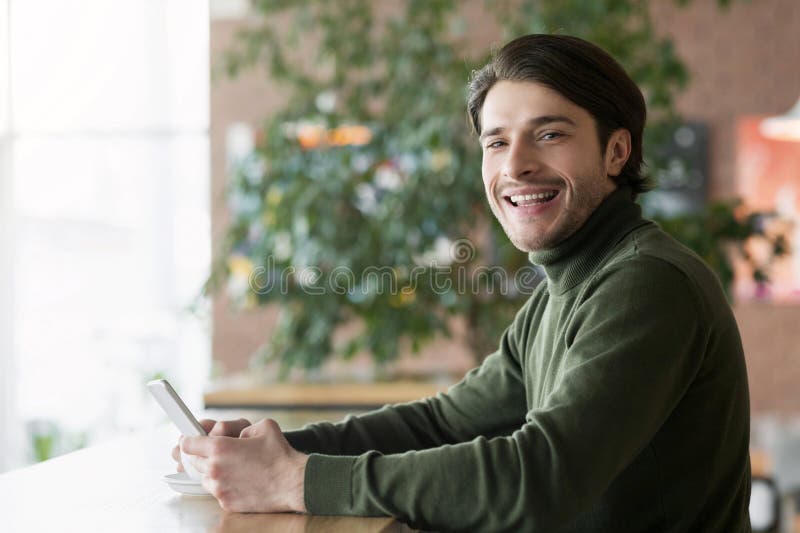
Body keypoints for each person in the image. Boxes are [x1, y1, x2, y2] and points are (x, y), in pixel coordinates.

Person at [175, 34, 752, 532]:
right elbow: (442, 424)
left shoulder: (646, 282)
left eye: (549, 134)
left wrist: (297, 481)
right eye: (496, 142)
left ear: (616, 152)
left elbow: (537, 479)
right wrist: (272, 451)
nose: (515, 165)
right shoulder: (566, 289)